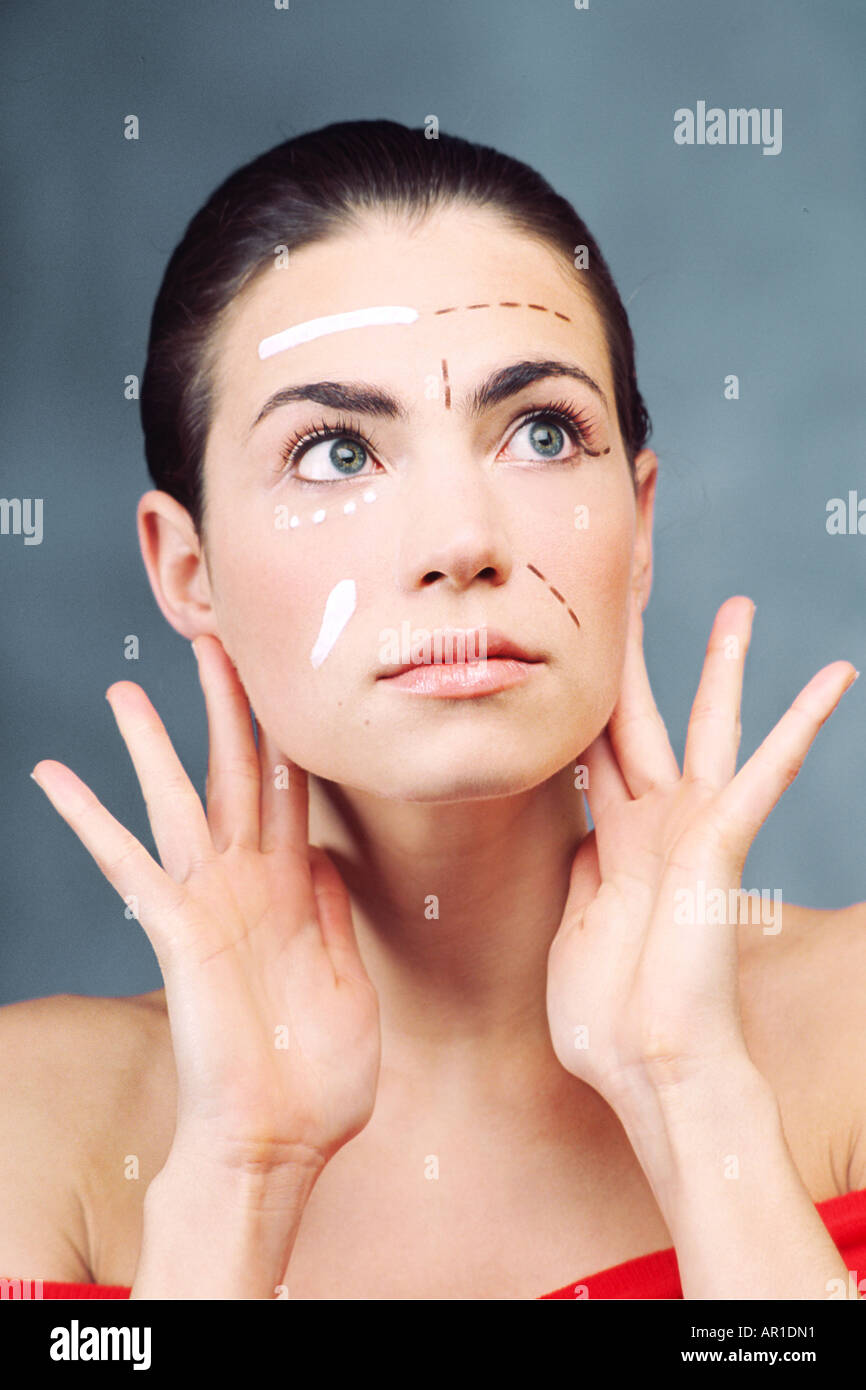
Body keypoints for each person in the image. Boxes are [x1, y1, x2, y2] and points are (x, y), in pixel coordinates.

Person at [2, 119, 864, 1301]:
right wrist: (241, 1171)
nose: (461, 540)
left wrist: (687, 1088)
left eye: (543, 432)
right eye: (334, 451)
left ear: (641, 520)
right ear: (184, 567)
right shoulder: (29, 1123)